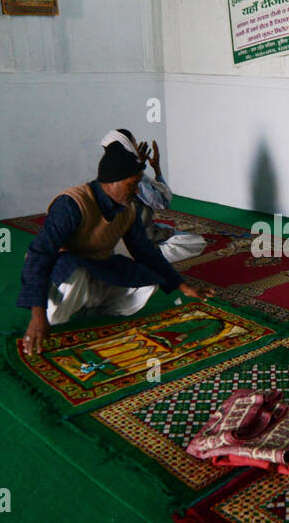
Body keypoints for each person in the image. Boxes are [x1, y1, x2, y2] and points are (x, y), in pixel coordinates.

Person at [18, 142, 214, 355]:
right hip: (67, 272)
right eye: (132, 184)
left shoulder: (128, 208)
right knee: (62, 304)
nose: (137, 190)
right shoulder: (72, 204)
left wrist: (183, 287)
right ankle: (61, 310)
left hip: (102, 267)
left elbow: (145, 252)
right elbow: (38, 255)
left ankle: (90, 313)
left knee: (149, 280)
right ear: (112, 182)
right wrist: (37, 316)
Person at [100, 129, 207, 263]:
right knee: (196, 242)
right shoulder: (133, 178)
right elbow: (162, 203)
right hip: (136, 239)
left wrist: (146, 167)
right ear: (127, 146)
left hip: (112, 242)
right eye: (134, 143)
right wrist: (155, 169)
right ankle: (145, 256)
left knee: (164, 228)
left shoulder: (106, 174)